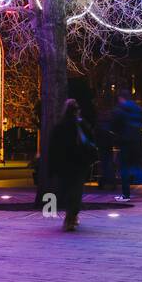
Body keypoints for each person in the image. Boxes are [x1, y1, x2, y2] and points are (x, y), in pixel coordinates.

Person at [49, 98, 96, 231]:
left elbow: (53, 148)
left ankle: (70, 216)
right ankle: (72, 216)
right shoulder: (81, 125)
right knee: (76, 190)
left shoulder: (60, 126)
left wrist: (52, 167)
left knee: (68, 190)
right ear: (77, 111)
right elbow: (90, 142)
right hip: (79, 163)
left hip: (65, 164)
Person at [111, 94, 142, 202]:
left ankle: (126, 195)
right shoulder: (137, 109)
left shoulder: (120, 110)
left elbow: (115, 125)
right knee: (134, 163)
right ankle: (141, 177)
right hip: (136, 142)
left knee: (124, 167)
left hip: (125, 141)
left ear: (122, 99)